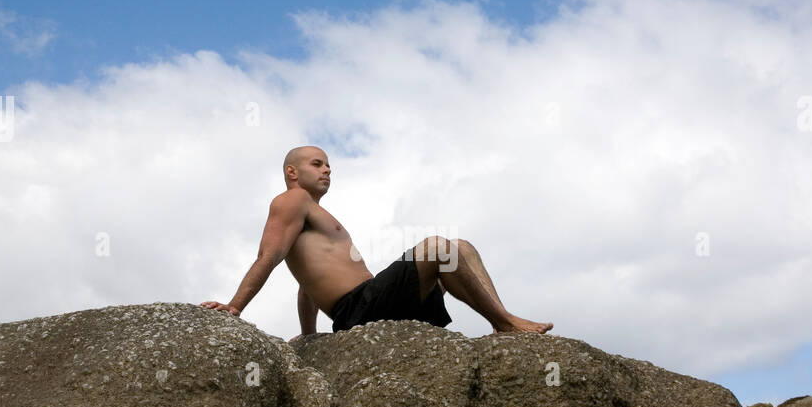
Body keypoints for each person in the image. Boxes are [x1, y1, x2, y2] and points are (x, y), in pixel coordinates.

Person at [200, 146, 553, 342]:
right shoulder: (291, 201)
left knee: (461, 247)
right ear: (292, 172)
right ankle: (506, 322)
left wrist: (308, 337)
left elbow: (307, 286)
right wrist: (235, 306)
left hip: (378, 305)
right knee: (439, 247)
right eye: (317, 164)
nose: (327, 171)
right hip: (360, 309)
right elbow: (268, 255)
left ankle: (500, 320)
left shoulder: (313, 216)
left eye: (329, 166)